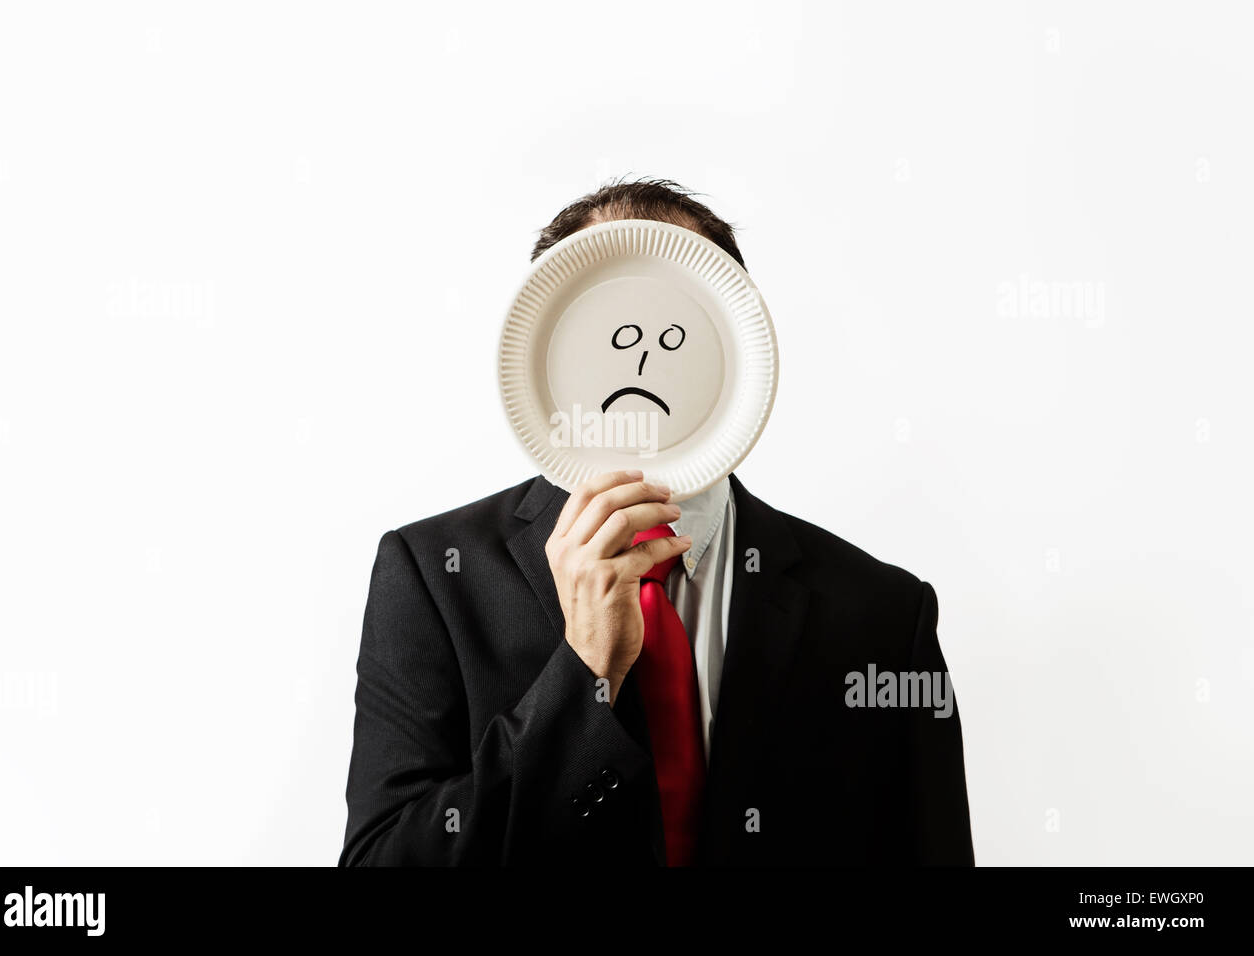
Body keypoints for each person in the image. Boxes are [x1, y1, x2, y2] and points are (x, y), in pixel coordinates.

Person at [339, 178, 974, 866]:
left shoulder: (881, 613)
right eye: (608, 333)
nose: (640, 360)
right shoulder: (433, 577)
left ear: (734, 350)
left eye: (674, 332)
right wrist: (583, 676)